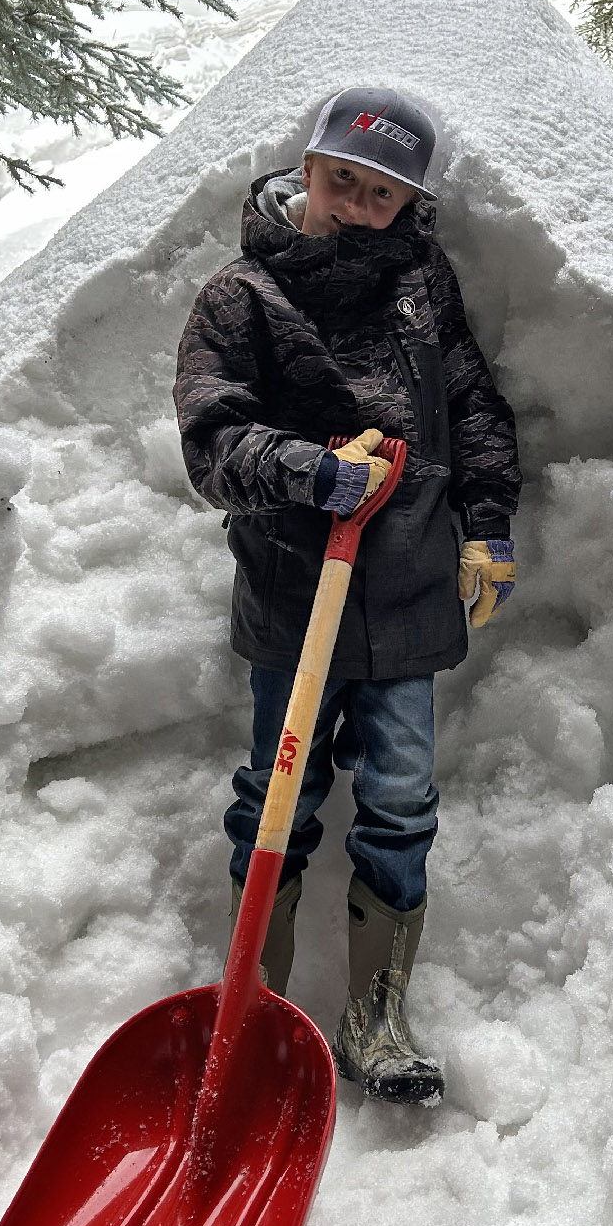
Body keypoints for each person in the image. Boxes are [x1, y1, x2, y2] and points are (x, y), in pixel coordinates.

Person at [174, 88, 520, 1104]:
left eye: (382, 194)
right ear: (308, 169)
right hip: (293, 593)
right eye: (342, 181)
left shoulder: (422, 287)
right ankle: (251, 1003)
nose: (357, 206)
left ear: (409, 203)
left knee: (402, 797)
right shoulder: (242, 296)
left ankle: (377, 1014)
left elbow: (470, 403)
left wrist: (488, 523)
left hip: (408, 591)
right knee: (275, 794)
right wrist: (306, 471)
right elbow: (212, 438)